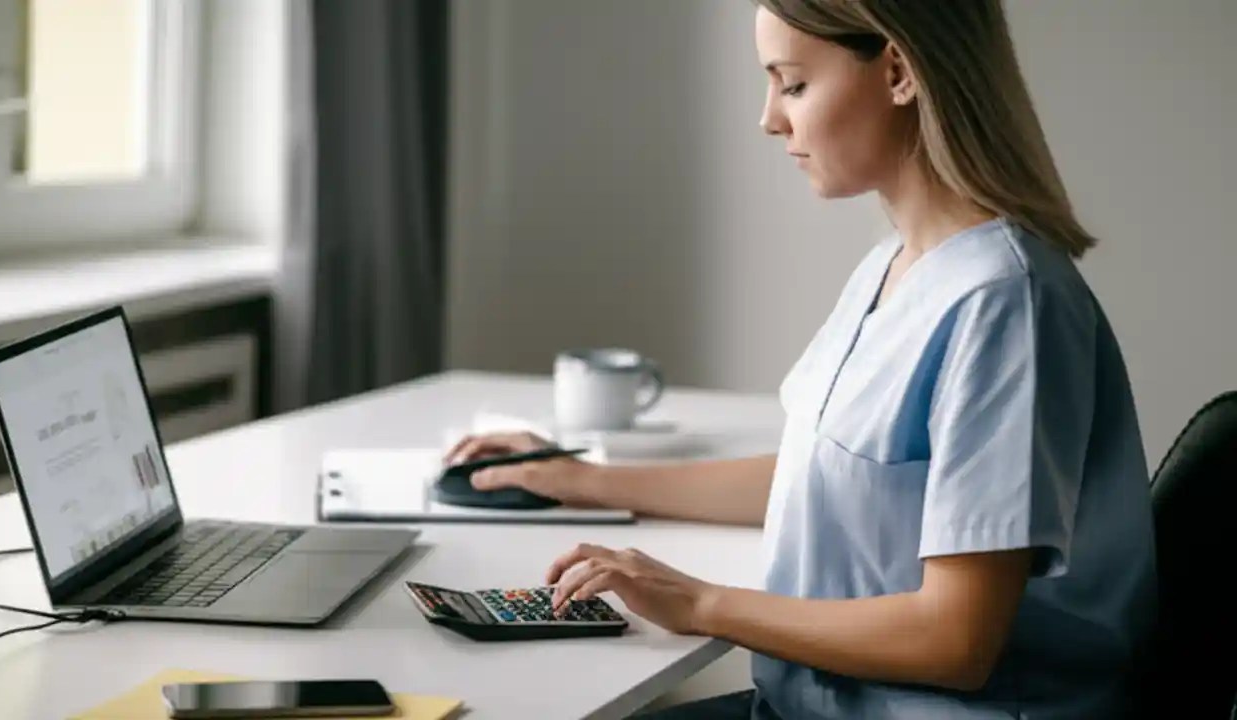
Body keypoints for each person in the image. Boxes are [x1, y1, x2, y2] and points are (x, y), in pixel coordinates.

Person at [444, 1, 1157, 717]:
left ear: (900, 72)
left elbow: (955, 638)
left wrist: (700, 602)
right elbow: (824, 479)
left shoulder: (1006, 301)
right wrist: (580, 479)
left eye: (792, 84)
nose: (769, 119)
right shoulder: (897, 265)